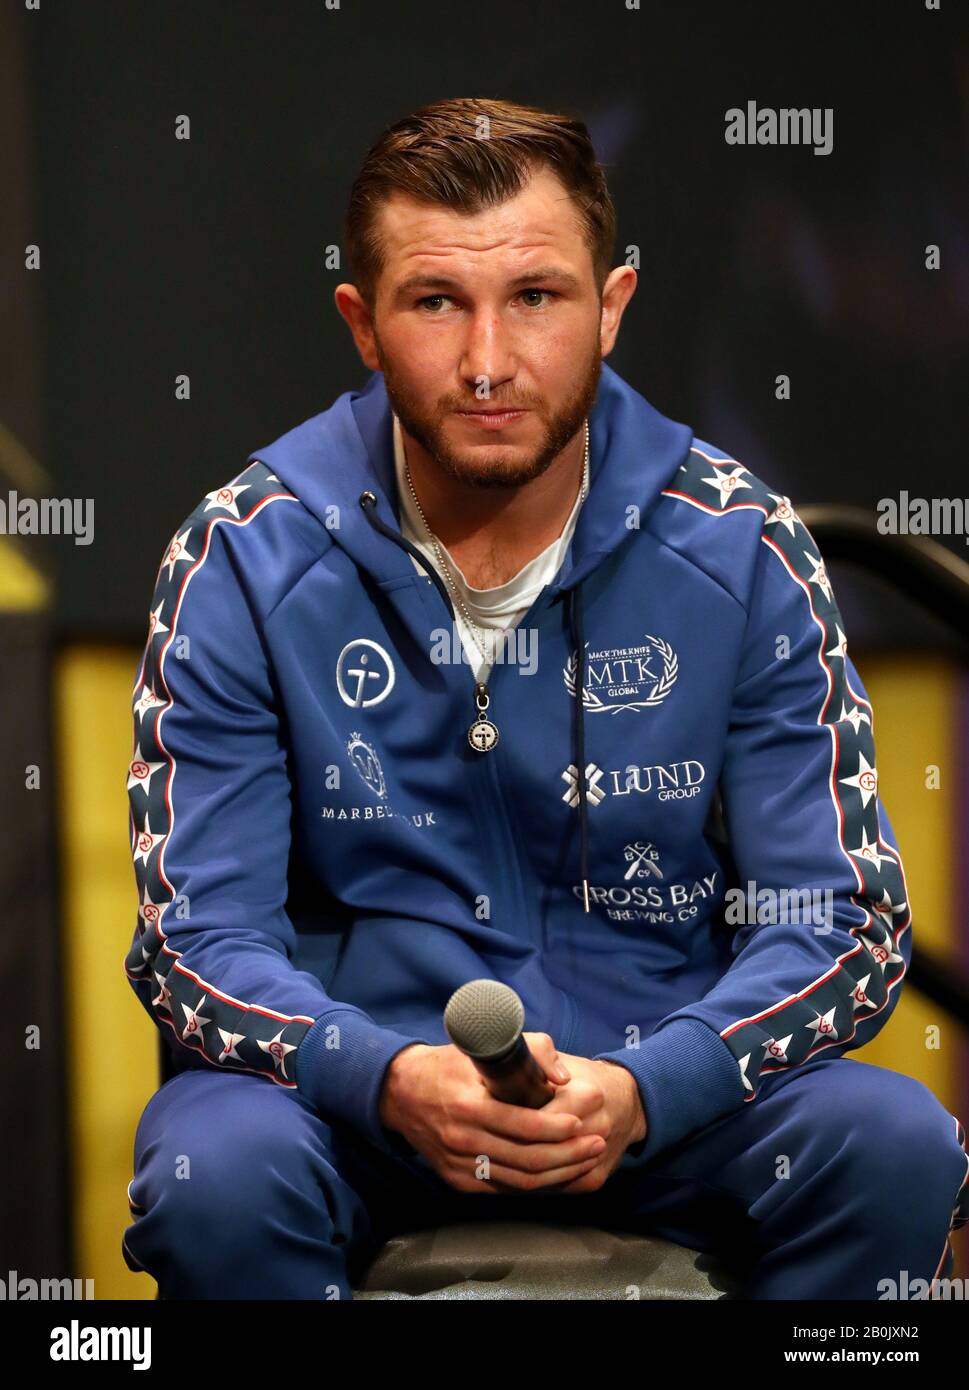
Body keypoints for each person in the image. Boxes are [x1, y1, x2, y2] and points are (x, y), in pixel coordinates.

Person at [122, 96, 968, 1300]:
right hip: (361, 1111)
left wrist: (652, 1086)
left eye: (535, 296)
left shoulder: (741, 550)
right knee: (214, 1168)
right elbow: (194, 940)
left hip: (662, 1098)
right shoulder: (243, 558)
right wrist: (379, 1073)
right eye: (434, 302)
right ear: (361, 324)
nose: (485, 362)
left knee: (895, 1146)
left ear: (611, 306)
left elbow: (839, 923)